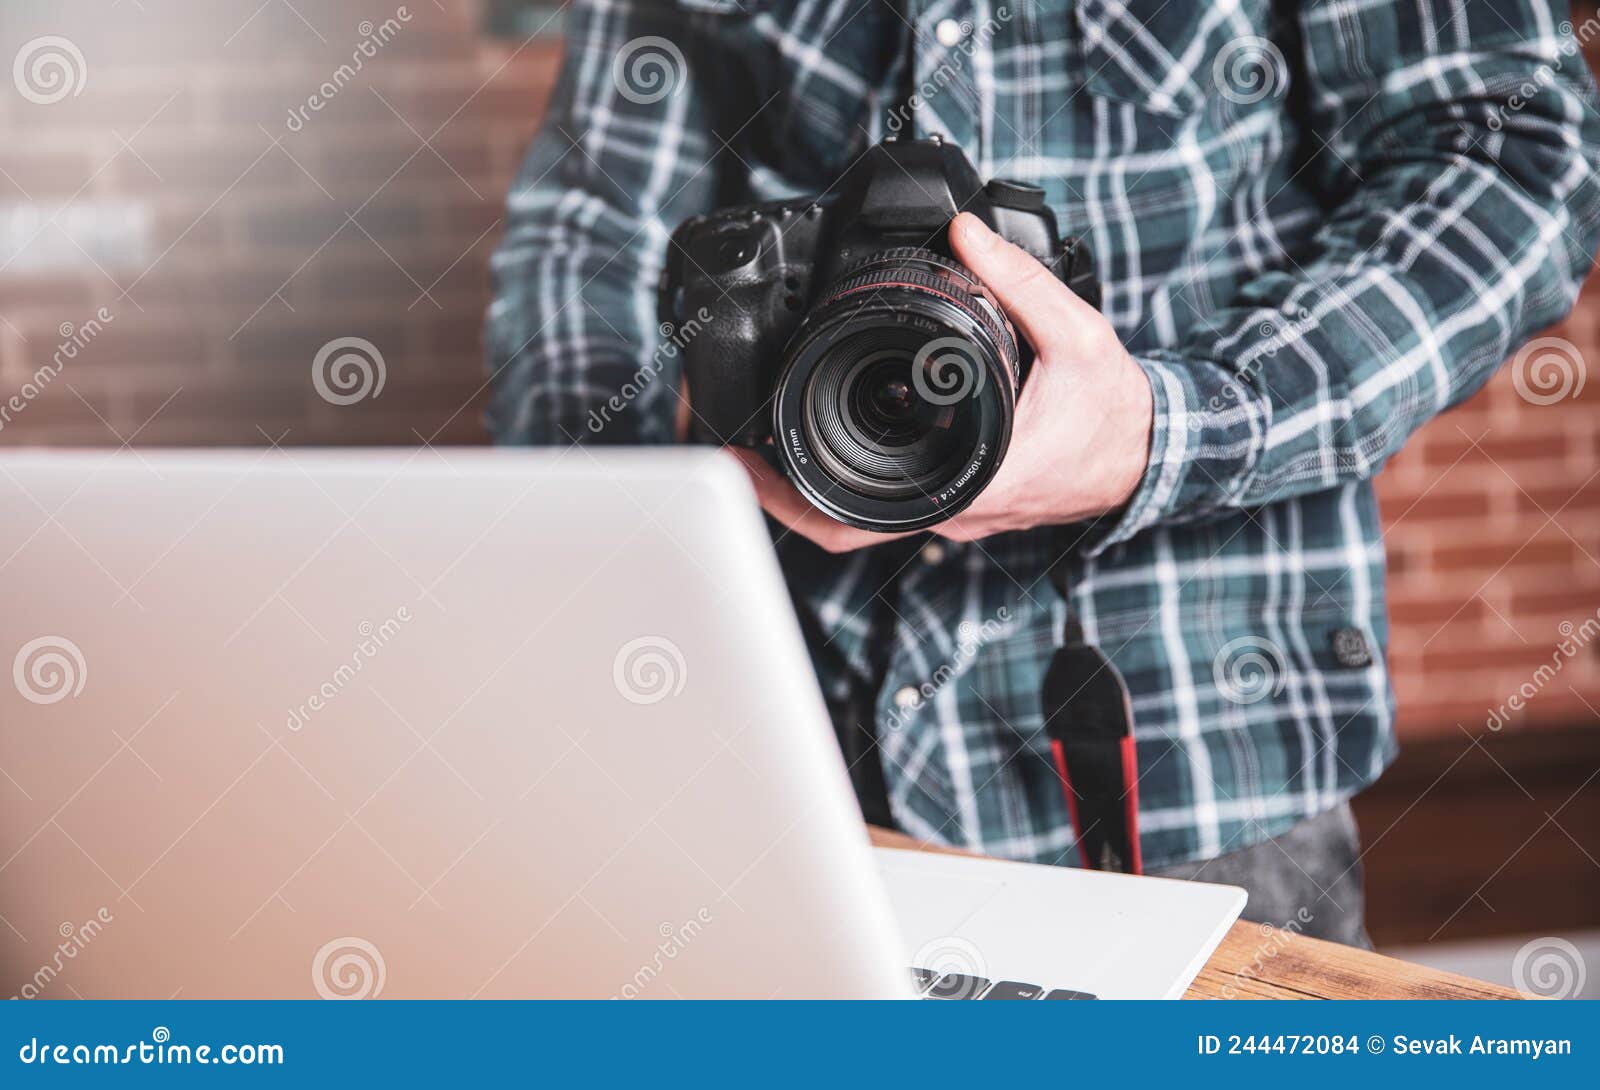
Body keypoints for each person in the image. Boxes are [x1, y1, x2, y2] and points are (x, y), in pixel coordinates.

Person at [484, 0, 1600, 945]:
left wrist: (1165, 425)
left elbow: (1511, 161)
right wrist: (627, 552)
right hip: (769, 740)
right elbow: (593, 221)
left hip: (1191, 738)